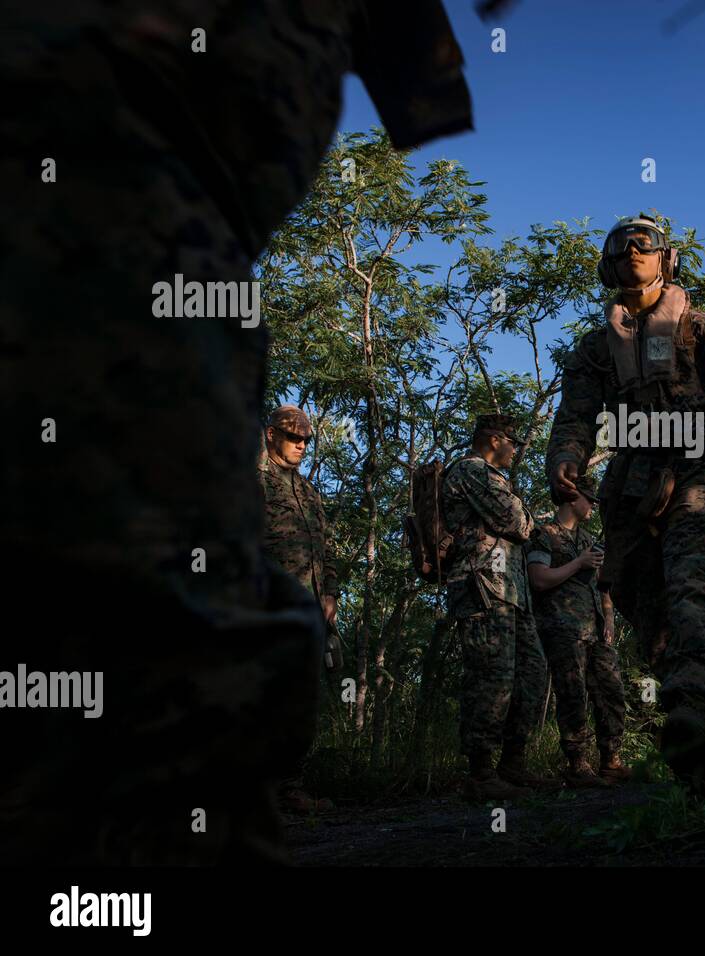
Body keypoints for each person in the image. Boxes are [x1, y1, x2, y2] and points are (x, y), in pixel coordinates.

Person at [0, 0, 473, 864]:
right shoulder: (248, 462)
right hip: (131, 173)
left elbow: (424, 87)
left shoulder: (300, 487)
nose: (297, 436)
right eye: (290, 430)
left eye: (301, 433)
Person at [546, 214, 705, 792]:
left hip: (698, 476)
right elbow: (576, 416)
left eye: (646, 243)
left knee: (691, 587)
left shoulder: (698, 328)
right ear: (609, 264)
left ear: (667, 258)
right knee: (645, 608)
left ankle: (691, 708)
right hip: (629, 489)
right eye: (622, 245)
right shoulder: (594, 348)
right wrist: (565, 456)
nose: (634, 250)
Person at [442, 414, 555, 800]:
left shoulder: (491, 476)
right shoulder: (472, 471)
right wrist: (524, 516)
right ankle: (480, 771)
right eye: (512, 442)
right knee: (492, 677)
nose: (515, 449)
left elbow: (521, 524)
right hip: (482, 587)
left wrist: (524, 517)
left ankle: (513, 763)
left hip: (509, 591)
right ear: (494, 439)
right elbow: (519, 524)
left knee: (532, 672)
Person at [258, 404, 343, 813]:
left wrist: (331, 595)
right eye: (294, 437)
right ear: (271, 434)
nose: (302, 445)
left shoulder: (308, 490)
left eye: (307, 439)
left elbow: (326, 550)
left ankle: (289, 788)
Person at [527, 473, 632, 787]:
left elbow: (603, 586)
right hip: (562, 629)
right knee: (573, 696)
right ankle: (578, 765)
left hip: (596, 630)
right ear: (573, 499)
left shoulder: (588, 539)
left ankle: (611, 760)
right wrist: (578, 563)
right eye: (590, 499)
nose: (593, 507)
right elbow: (539, 579)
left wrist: (609, 621)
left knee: (611, 691)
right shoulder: (543, 534)